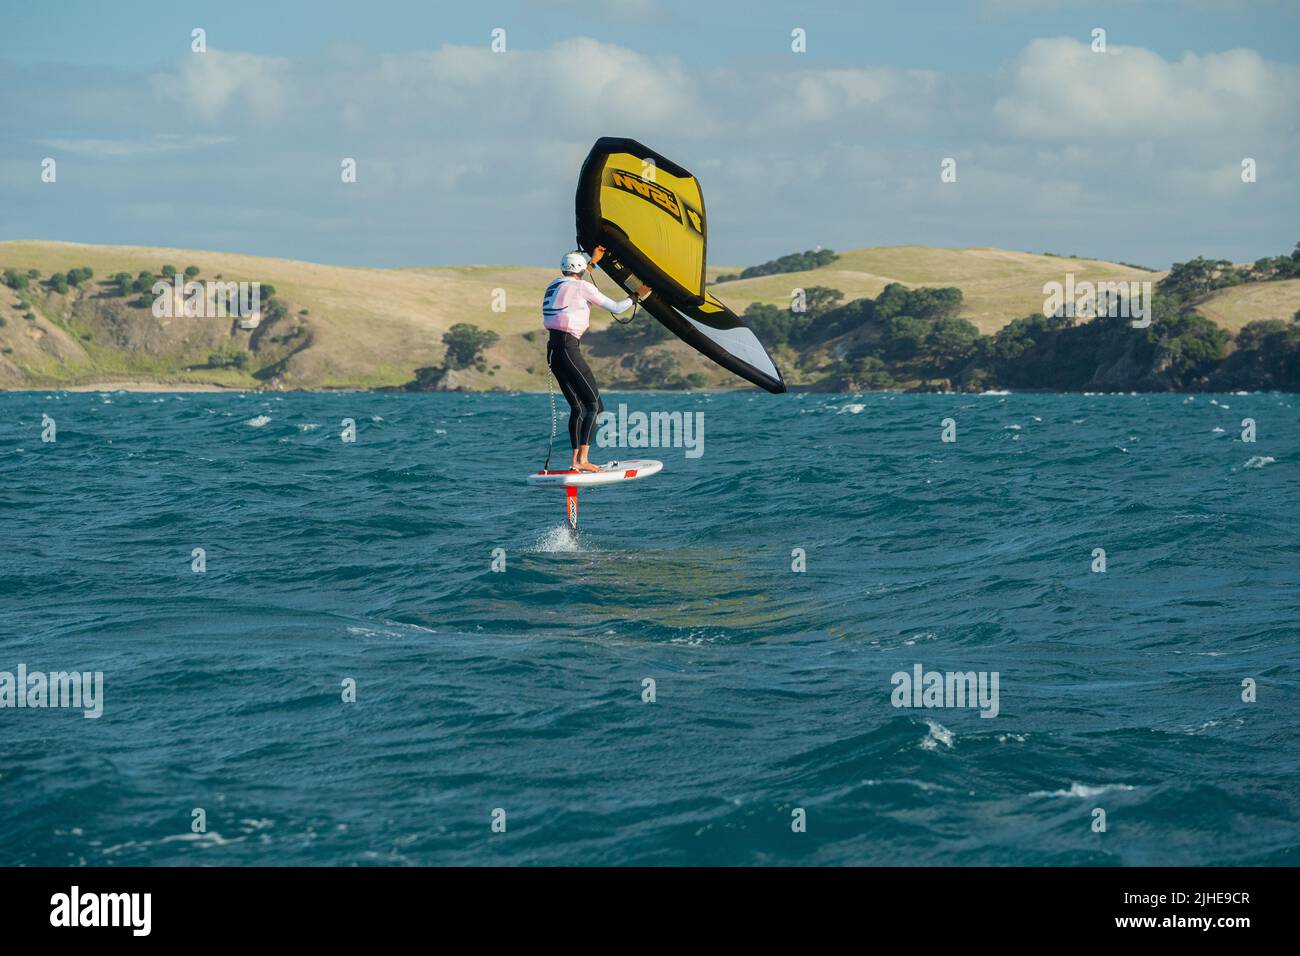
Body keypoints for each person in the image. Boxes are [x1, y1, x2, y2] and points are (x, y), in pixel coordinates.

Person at [542, 246, 651, 472]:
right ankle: (582, 460)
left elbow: (576, 283)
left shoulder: (554, 284)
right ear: (581, 269)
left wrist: (592, 262)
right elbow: (617, 308)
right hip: (569, 349)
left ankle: (575, 461)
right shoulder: (582, 287)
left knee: (578, 407)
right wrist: (637, 294)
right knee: (594, 406)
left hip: (553, 350)